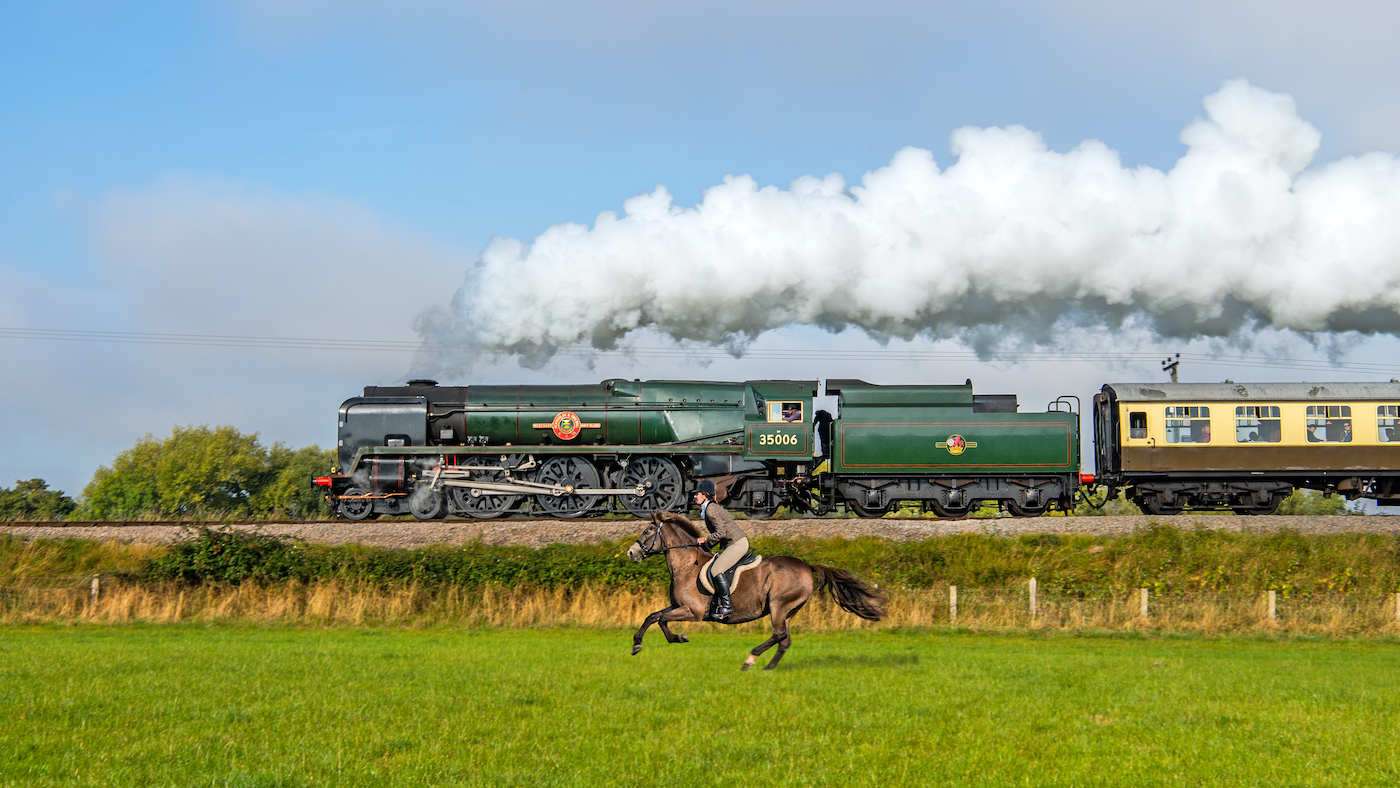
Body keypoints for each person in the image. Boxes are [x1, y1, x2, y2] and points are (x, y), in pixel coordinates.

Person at [692, 479, 749, 622]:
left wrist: (704, 540)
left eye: (697, 494)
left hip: (737, 544)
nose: (695, 496)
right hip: (732, 544)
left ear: (705, 495)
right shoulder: (709, 508)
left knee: (716, 570)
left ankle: (727, 607)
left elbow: (721, 533)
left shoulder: (711, 510)